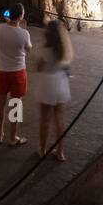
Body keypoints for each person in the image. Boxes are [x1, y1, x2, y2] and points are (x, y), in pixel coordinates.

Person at [33, 20, 73, 161]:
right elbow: (66, 66)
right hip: (61, 82)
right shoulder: (64, 49)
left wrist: (38, 66)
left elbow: (38, 66)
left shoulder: (46, 48)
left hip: (48, 84)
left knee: (45, 119)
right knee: (59, 120)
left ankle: (43, 149)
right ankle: (60, 152)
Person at [0, 3, 32, 146]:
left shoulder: (0, 28)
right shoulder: (24, 33)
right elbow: (28, 49)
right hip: (17, 72)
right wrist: (23, 29)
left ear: (10, 14)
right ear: (21, 16)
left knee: (0, 105)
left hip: (2, 70)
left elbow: (5, 27)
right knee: (15, 105)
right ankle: (13, 137)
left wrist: (8, 19)